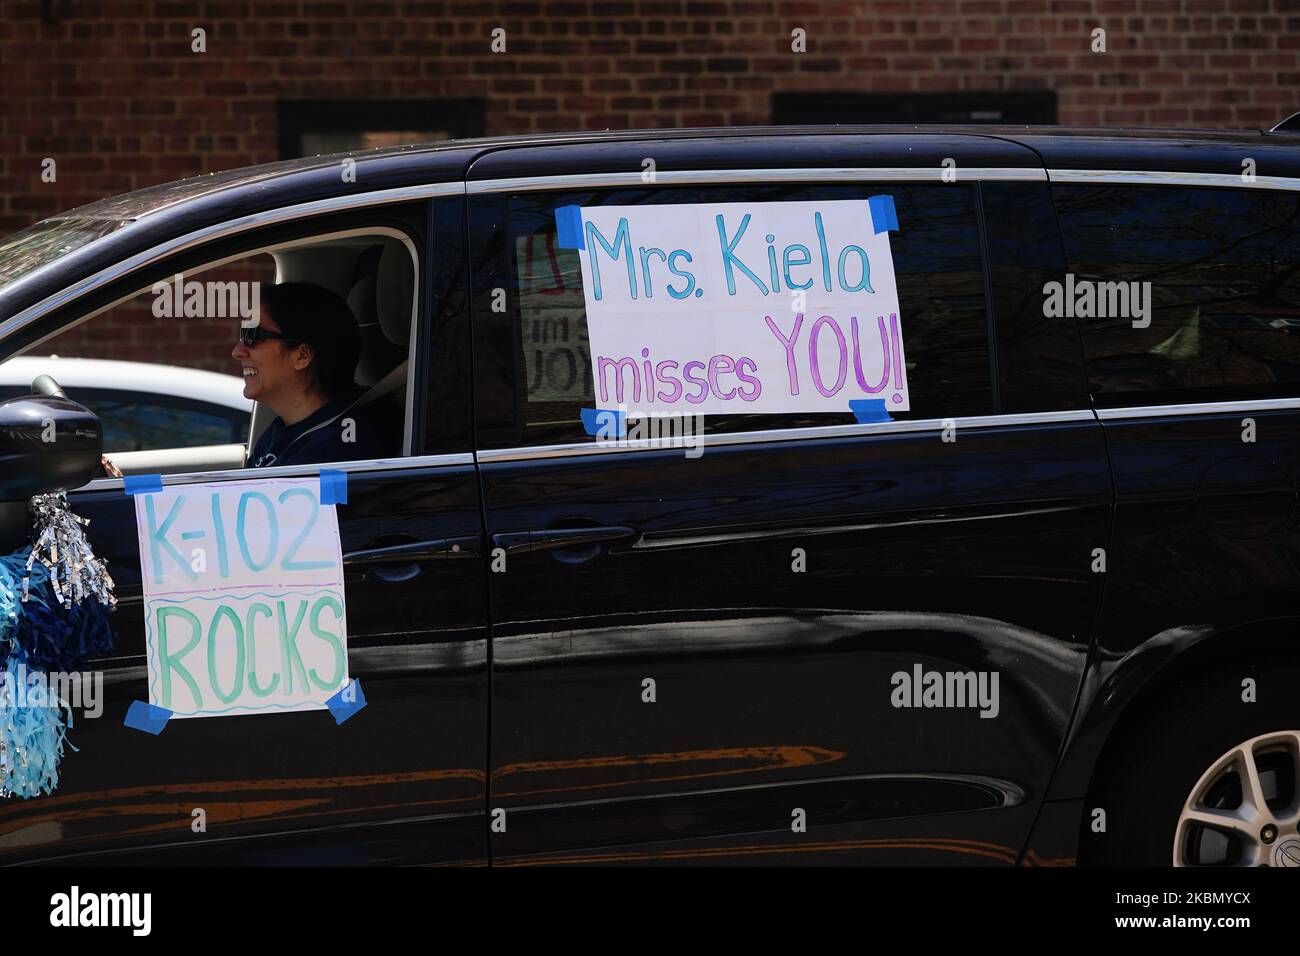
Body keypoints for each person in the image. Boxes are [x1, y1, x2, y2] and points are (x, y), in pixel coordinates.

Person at [233, 281, 399, 468]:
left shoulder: (335, 450)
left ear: (302, 355)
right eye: (242, 334)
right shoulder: (283, 431)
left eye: (252, 335)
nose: (237, 351)